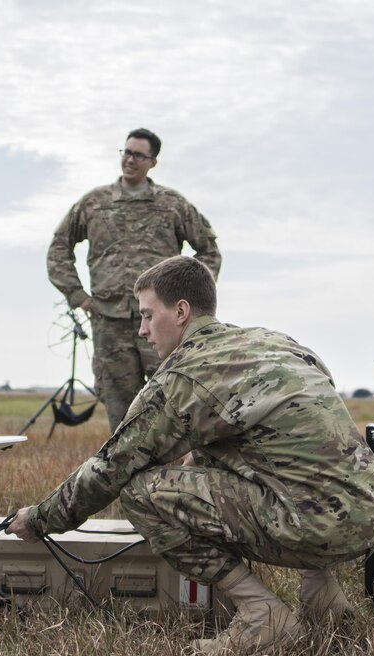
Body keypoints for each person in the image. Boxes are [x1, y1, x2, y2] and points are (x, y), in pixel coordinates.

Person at [9, 256, 374, 656]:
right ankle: (322, 594)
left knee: (139, 492)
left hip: (314, 525)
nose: (141, 331)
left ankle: (264, 614)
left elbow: (111, 468)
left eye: (147, 315)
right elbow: (303, 444)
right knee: (269, 458)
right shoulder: (276, 343)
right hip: (370, 519)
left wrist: (39, 519)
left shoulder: (183, 375)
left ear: (181, 311)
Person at [47, 128, 221, 432]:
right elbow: (58, 248)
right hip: (108, 321)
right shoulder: (94, 203)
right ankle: (126, 472)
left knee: (172, 394)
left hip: (161, 322)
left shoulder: (172, 204)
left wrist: (187, 303)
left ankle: (174, 470)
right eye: (126, 152)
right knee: (119, 404)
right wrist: (79, 296)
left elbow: (209, 251)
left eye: (138, 155)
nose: (130, 160)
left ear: (152, 162)